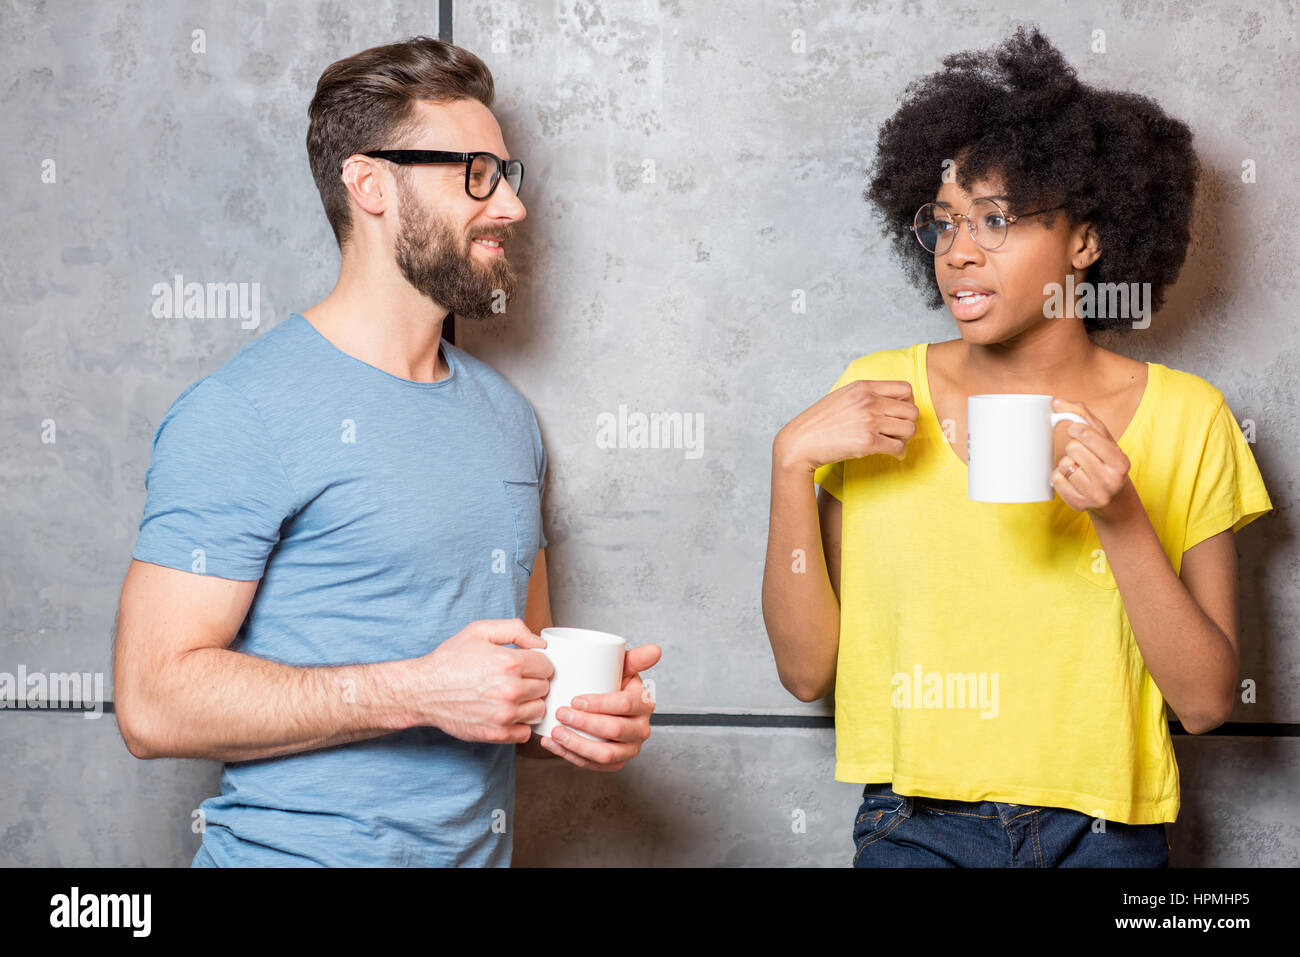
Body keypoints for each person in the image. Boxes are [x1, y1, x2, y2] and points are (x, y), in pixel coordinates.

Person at [114, 35, 661, 867]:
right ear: (369, 183)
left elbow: (511, 684)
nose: (510, 206)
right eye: (474, 173)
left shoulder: (509, 419)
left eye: (507, 174)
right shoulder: (242, 411)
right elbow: (151, 703)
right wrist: (414, 690)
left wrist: (580, 717)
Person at [761, 26, 1272, 867]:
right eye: (946, 223)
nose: (959, 253)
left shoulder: (1189, 418)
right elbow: (808, 671)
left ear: (1085, 241)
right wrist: (790, 463)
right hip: (912, 826)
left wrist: (1120, 515)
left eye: (997, 221)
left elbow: (1208, 700)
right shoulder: (881, 396)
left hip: (1108, 833)